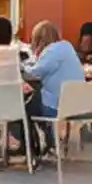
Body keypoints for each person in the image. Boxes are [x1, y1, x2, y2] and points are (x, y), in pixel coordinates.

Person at [20, 20, 84, 154]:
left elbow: (34, 73)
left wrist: (21, 66)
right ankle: (50, 141)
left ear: (38, 40)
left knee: (24, 108)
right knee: (37, 101)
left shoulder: (50, 51)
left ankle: (33, 150)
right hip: (78, 105)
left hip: (58, 107)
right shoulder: (67, 46)